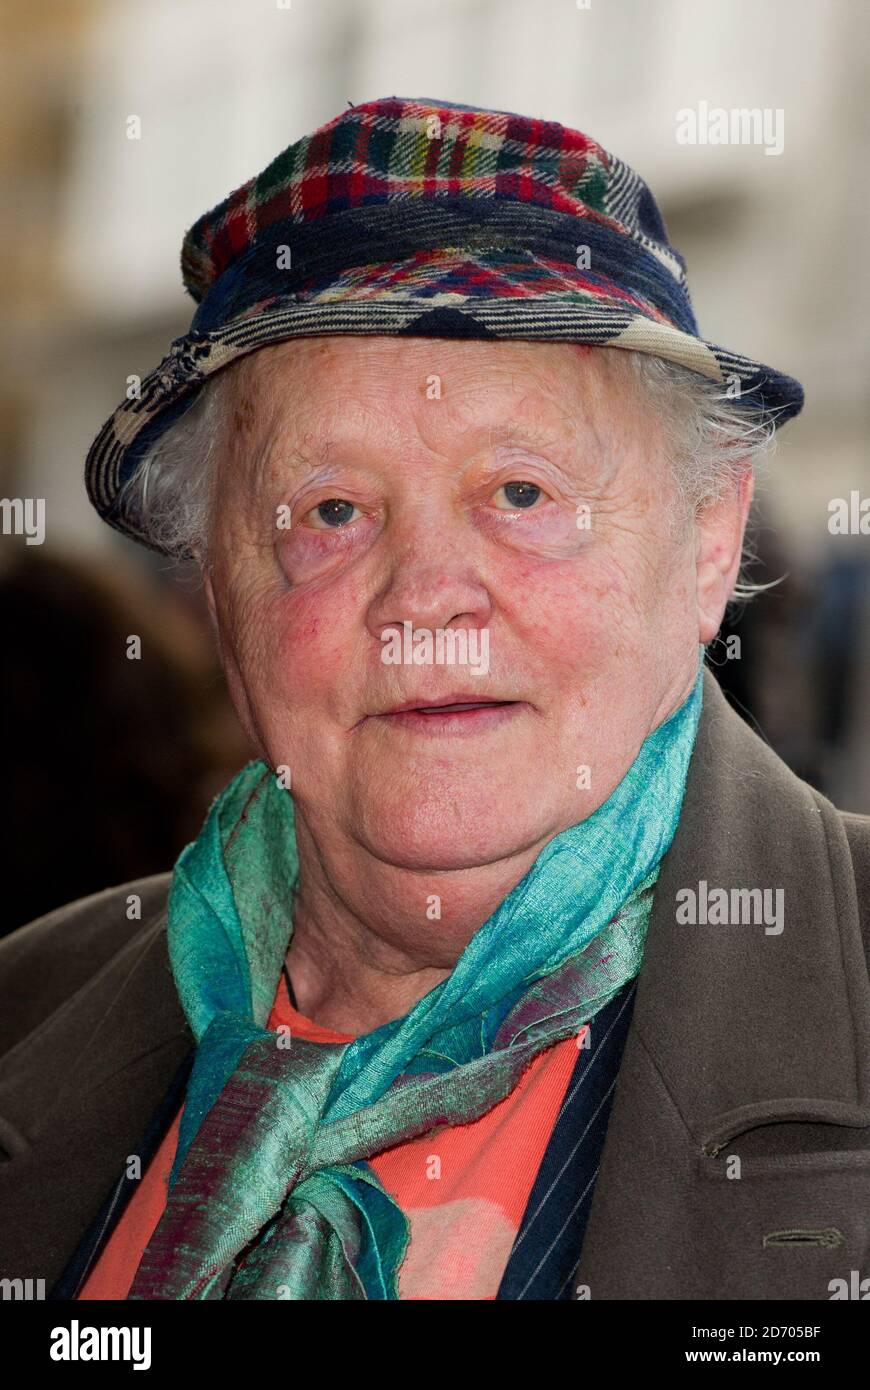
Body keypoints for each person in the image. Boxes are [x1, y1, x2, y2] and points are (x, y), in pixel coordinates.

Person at [2, 96, 868, 1302]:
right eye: (332, 510)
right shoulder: (24, 1005)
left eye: (521, 492)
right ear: (215, 582)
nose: (425, 601)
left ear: (707, 541)